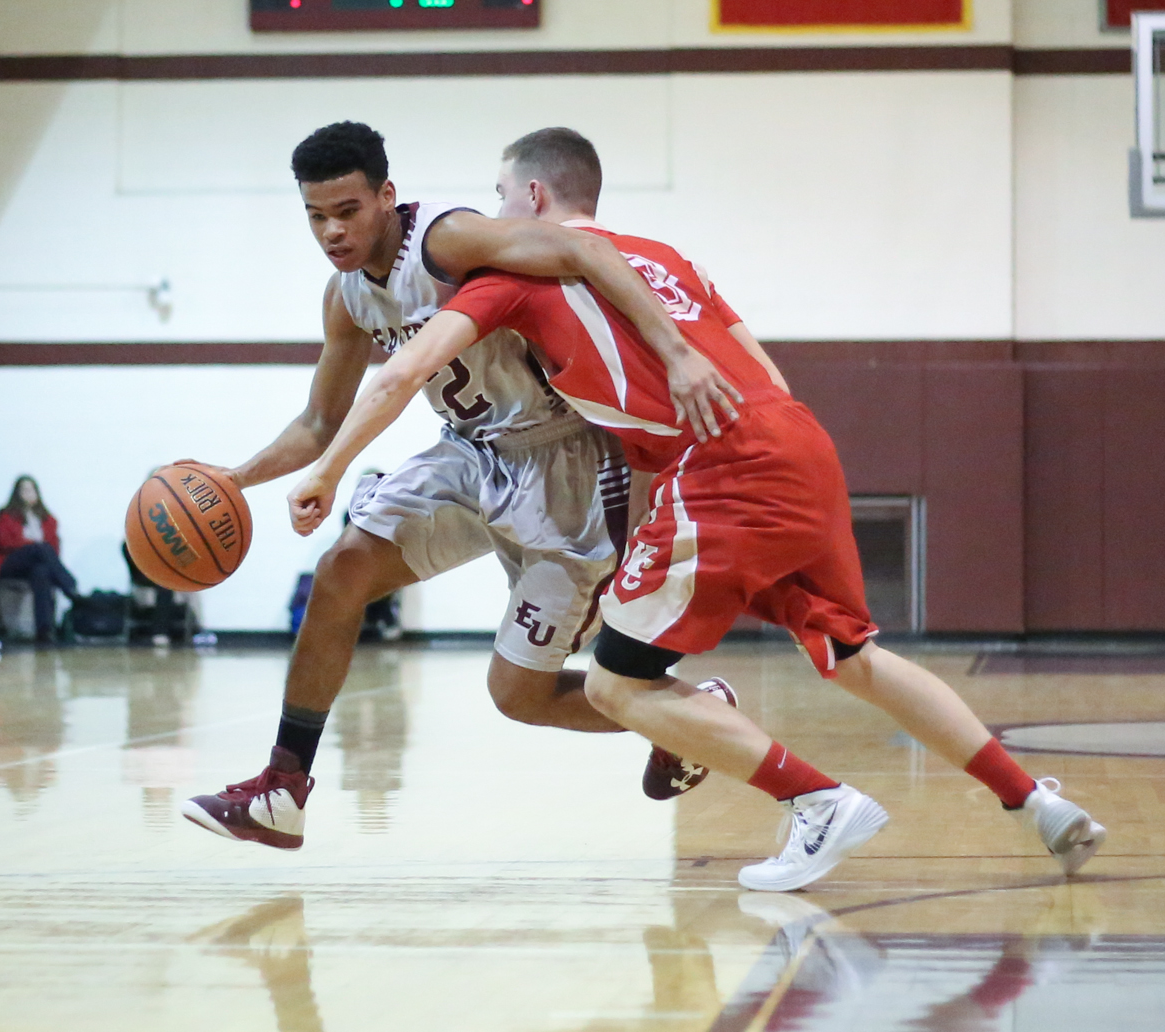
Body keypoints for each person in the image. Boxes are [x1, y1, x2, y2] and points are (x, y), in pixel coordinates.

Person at [286, 127, 1108, 891]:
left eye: (500, 197)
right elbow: (761, 367)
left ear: (532, 200)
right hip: (796, 440)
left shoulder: (512, 277)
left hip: (720, 464)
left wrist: (329, 468)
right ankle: (1035, 800)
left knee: (614, 682)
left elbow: (399, 377)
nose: (491, 215)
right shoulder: (667, 258)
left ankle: (816, 803)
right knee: (849, 651)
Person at [180, 121, 742, 851]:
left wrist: (673, 351)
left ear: (386, 196)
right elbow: (321, 420)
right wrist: (236, 478)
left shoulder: (448, 239)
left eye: (347, 210)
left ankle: (694, 713)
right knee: (342, 569)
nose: (332, 231)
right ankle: (283, 787)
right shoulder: (346, 296)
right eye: (316, 216)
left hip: (562, 461)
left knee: (520, 696)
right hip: (470, 454)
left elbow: (584, 248)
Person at [0, 474, 79, 644]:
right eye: (24, 490)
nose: (28, 493)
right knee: (40, 548)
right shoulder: (6, 515)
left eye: (31, 490)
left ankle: (44, 630)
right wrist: (32, 545)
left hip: (34, 566)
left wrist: (36, 548)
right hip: (10, 562)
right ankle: (70, 586)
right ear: (17, 493)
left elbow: (54, 548)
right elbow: (5, 542)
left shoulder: (48, 519)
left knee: (42, 571)